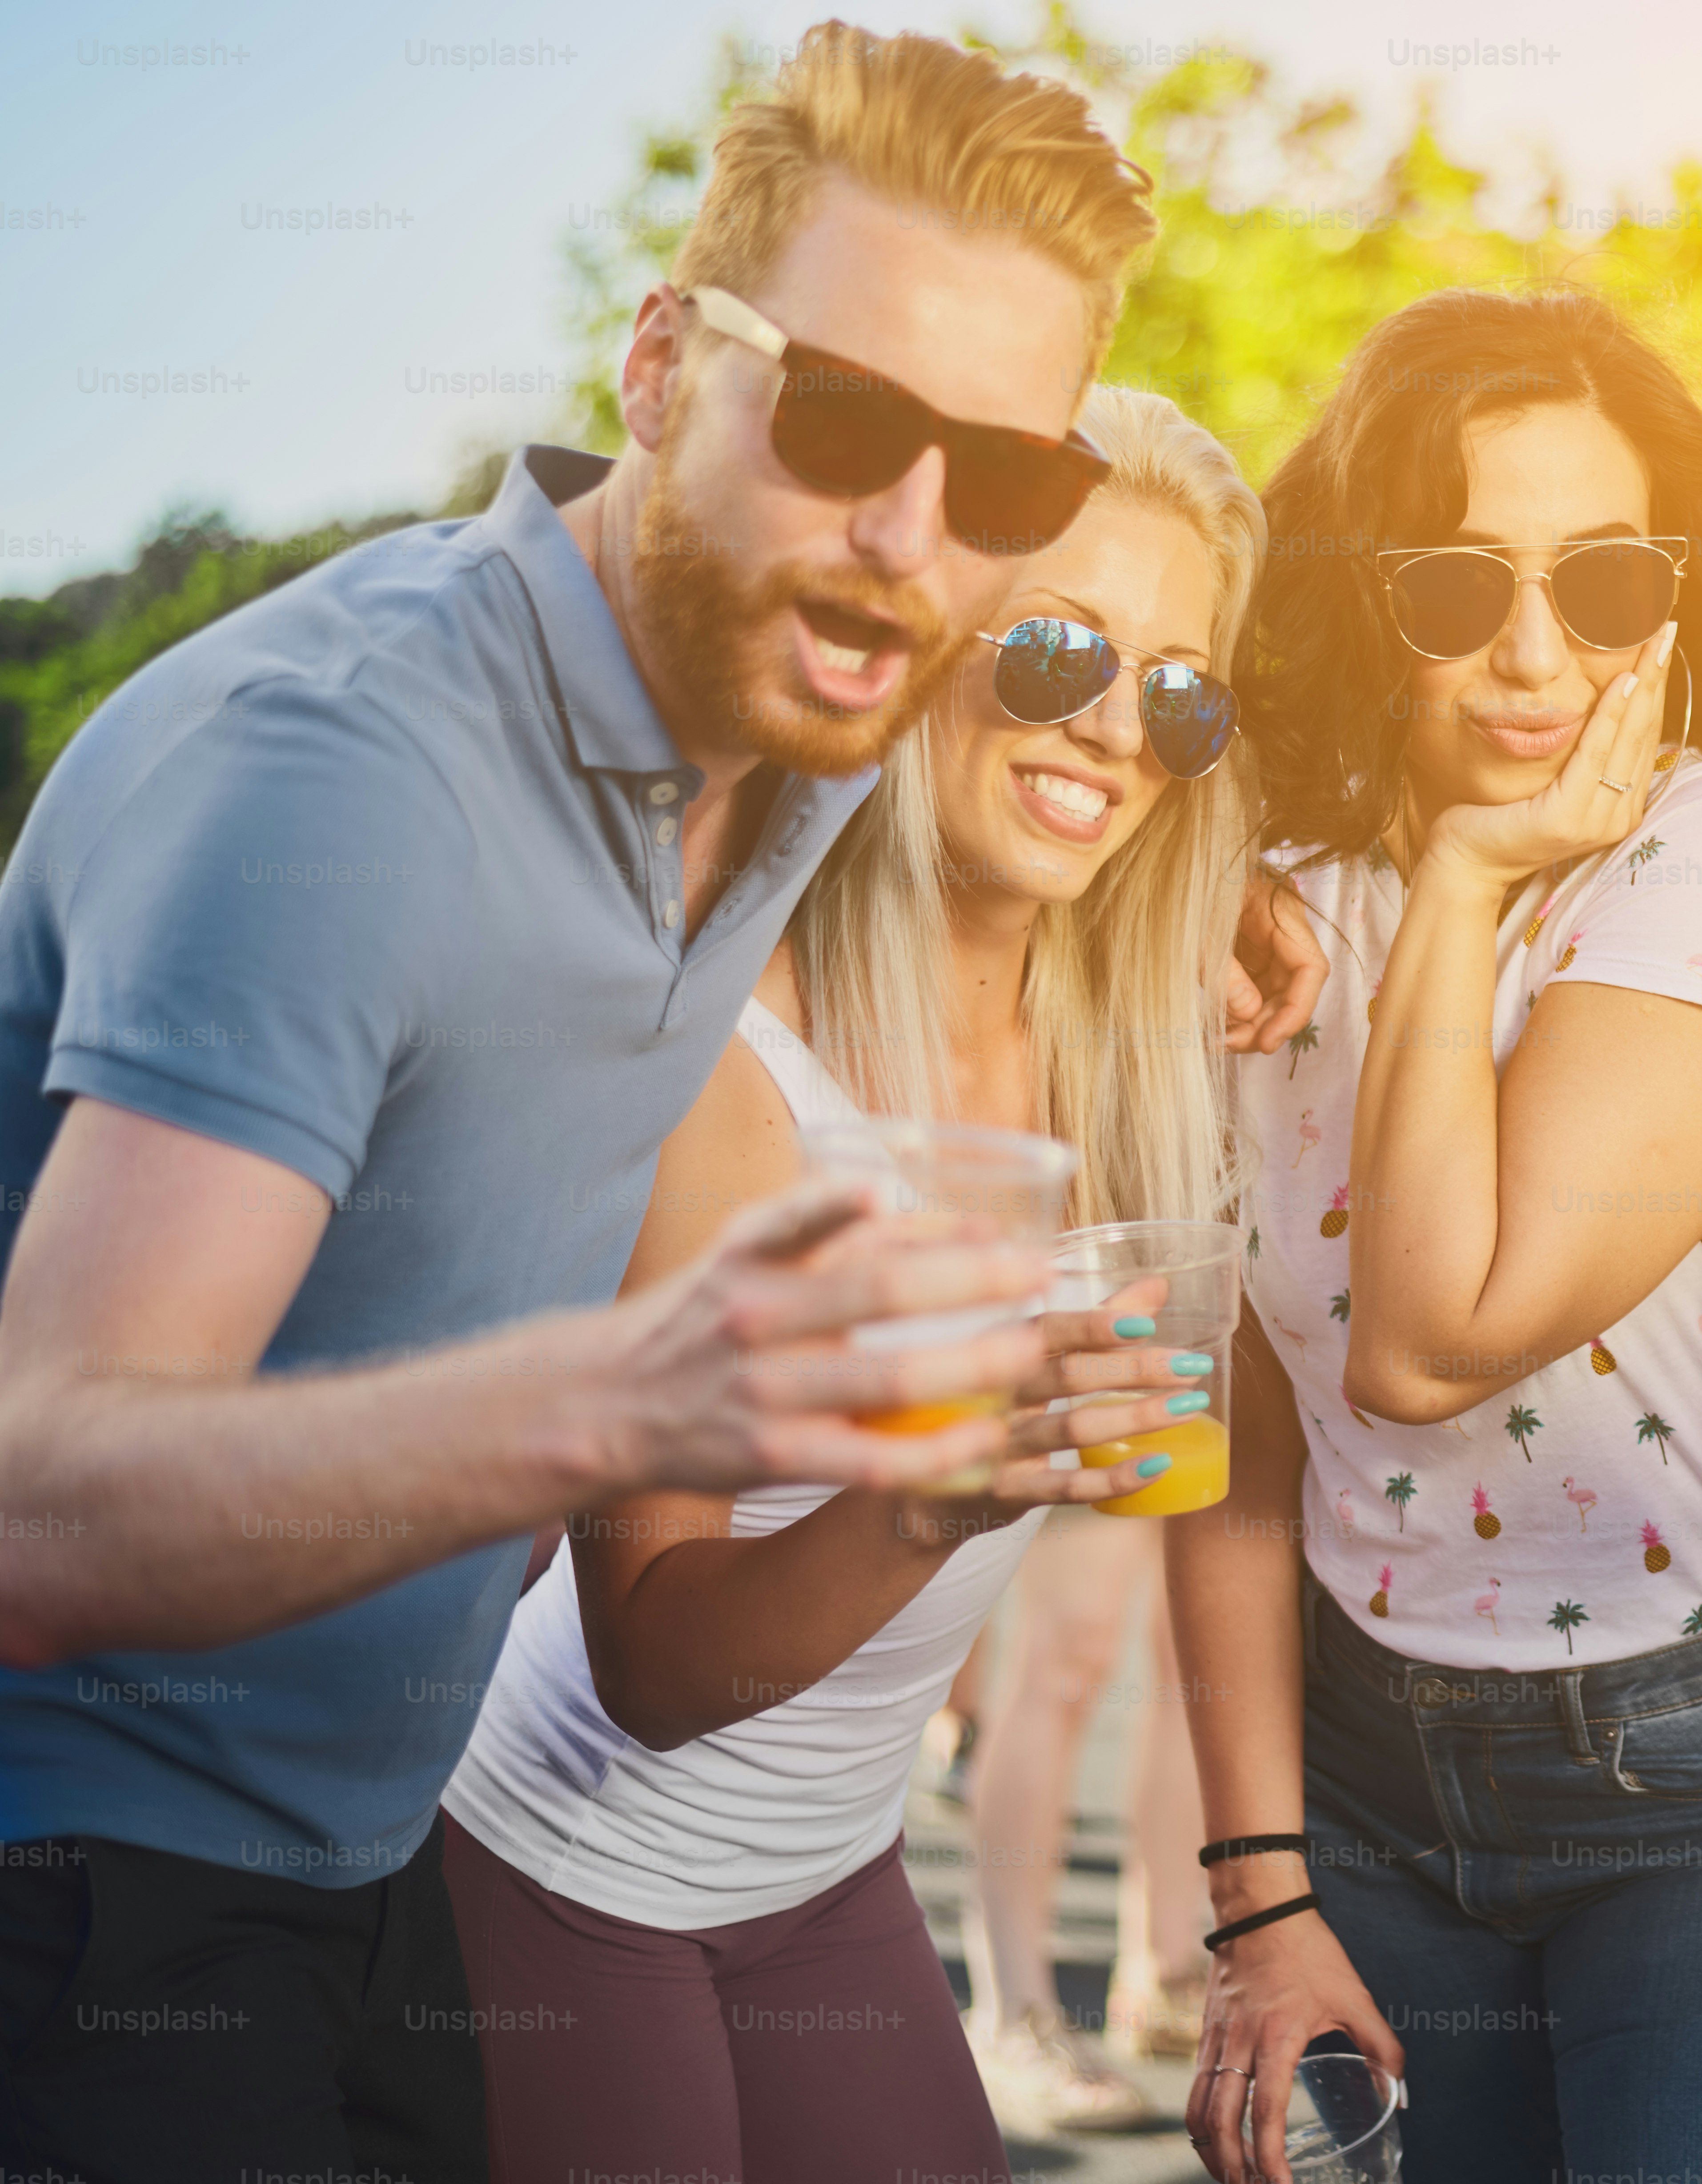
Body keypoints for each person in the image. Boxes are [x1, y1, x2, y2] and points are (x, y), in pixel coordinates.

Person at [0, 26, 1216, 2176]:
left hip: (382, 1843)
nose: (909, 543)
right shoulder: (346, 786)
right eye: (842, 417)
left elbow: (1063, 792)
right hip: (93, 1865)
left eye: (1001, 485)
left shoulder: (782, 729)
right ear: (660, 363)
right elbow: (41, 1511)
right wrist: (622, 1400)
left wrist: (1256, 916)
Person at [436, 386, 1260, 2177]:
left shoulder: (1135, 1042)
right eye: (1055, 652)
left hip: (829, 1866)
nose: (1115, 732)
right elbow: (653, 1663)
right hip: (575, 1869)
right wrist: (940, 1488)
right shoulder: (729, 1065)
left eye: (1177, 693)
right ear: (936, 643)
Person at [1169, 287, 1702, 2184]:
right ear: (1366, 594)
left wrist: (1455, 888)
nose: (1535, 658)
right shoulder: (1244, 902)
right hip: (1356, 1784)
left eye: (1600, 584)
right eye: (1455, 589)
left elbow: (1434, 1336)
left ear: (1674, 596)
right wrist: (1257, 1899)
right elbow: (1243, 1446)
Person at [958, 1513, 1211, 2131]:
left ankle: (1166, 1974)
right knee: (1072, 1642)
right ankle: (1011, 2013)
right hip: (1092, 1413)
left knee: (1203, 1653)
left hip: (1240, 1411)